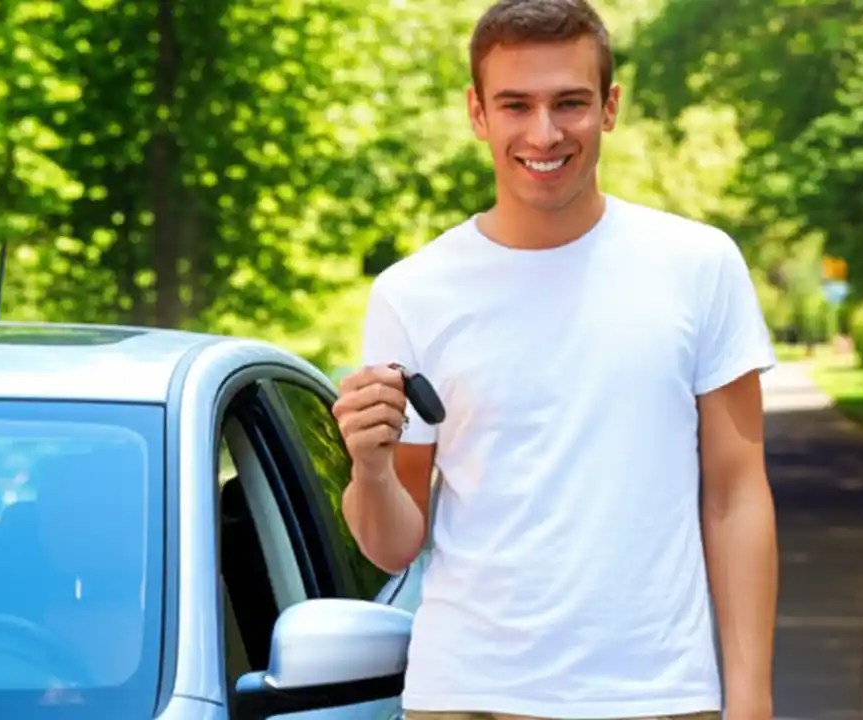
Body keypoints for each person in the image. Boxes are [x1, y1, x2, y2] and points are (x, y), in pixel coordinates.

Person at [331, 1, 779, 719]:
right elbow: (392, 546)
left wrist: (751, 700)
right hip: (465, 695)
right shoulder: (412, 292)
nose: (544, 133)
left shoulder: (698, 264)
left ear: (610, 108)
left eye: (569, 102)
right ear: (478, 113)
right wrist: (371, 467)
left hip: (657, 695)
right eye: (516, 105)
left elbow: (736, 497)